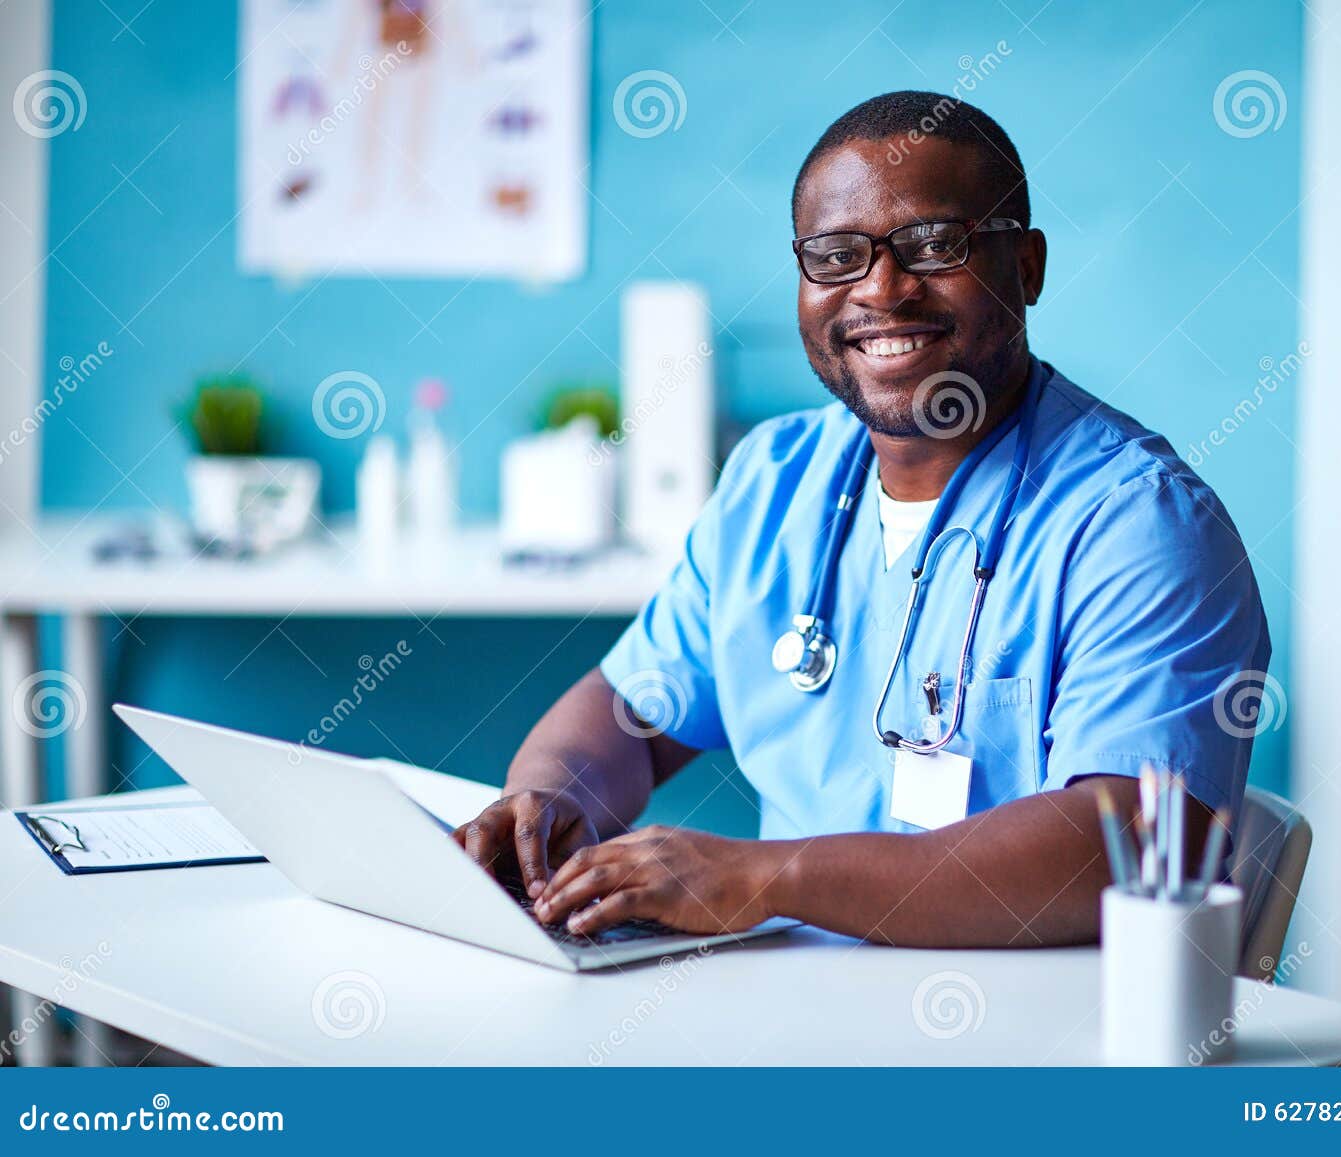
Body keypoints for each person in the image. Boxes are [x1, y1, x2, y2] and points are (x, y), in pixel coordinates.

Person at [453, 91, 1270, 948]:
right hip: (787, 1007)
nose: (880, 287)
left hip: (1021, 1035)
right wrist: (548, 803)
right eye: (836, 256)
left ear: (1026, 266)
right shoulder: (774, 481)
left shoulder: (1141, 525)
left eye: (934, 245)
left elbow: (1126, 844)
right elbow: (632, 712)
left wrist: (770, 878)